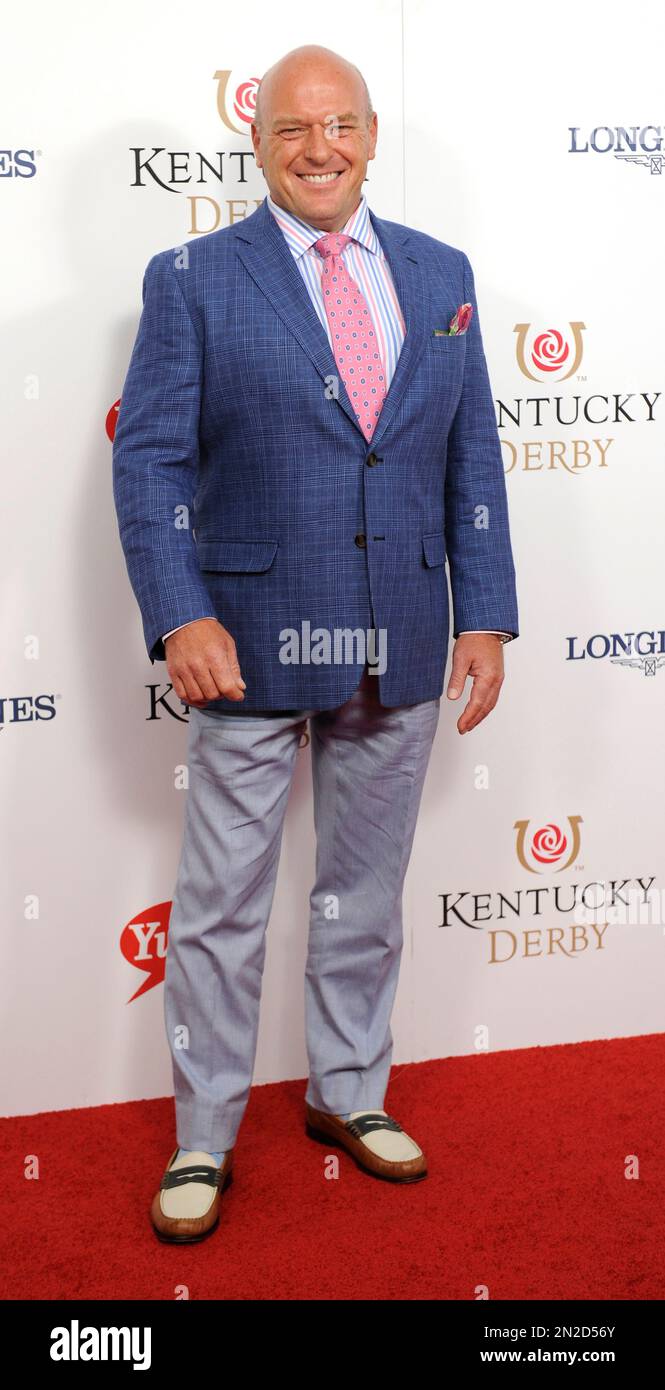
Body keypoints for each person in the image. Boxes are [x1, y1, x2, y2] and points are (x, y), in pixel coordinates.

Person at [112, 43, 519, 1244]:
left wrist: (484, 610)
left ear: (372, 134)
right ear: (259, 141)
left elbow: (468, 455)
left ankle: (348, 1093)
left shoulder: (440, 272)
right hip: (243, 640)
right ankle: (202, 1135)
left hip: (397, 630)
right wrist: (179, 610)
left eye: (338, 125)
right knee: (221, 905)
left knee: (362, 893)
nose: (318, 148)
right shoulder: (192, 277)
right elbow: (149, 461)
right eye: (293, 129)